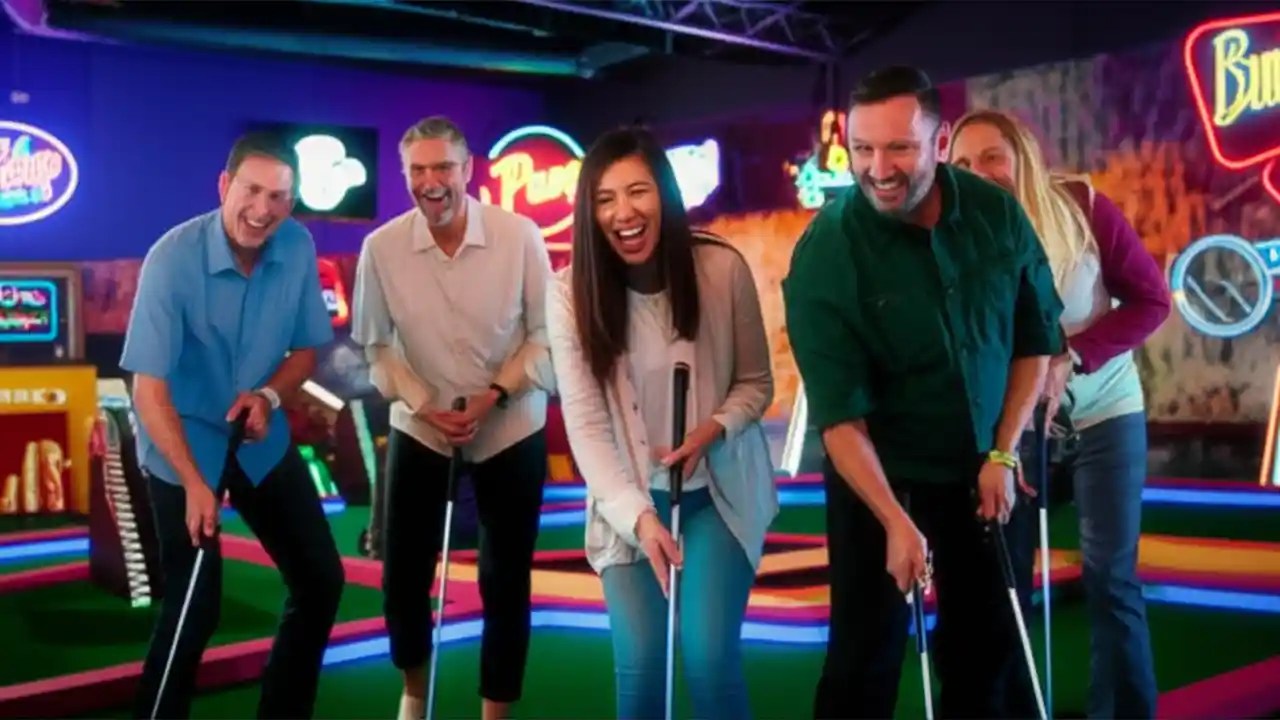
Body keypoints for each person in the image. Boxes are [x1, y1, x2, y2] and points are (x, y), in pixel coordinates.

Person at [782, 66, 1067, 718]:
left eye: (899, 148)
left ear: (940, 145)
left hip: (981, 469)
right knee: (863, 660)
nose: (878, 168)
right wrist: (893, 519)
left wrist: (1002, 452)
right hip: (878, 475)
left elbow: (1034, 339)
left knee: (985, 652)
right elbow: (839, 414)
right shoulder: (826, 252)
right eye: (862, 149)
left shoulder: (996, 214)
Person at [545, 126, 777, 720]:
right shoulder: (571, 295)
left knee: (705, 658)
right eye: (605, 198)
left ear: (665, 196)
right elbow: (588, 426)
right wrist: (641, 519)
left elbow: (756, 383)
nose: (624, 212)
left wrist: (715, 427)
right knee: (643, 671)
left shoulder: (721, 269)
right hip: (627, 503)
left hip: (719, 495)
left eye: (638, 191)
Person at [951, 108, 1168, 718]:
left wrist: (1073, 354)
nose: (979, 173)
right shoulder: (957, 237)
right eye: (962, 164)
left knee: (1110, 575)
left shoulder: (1080, 206)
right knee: (1008, 583)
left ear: (1023, 155)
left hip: (1105, 412)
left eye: (993, 156)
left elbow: (1151, 300)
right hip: (1014, 428)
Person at [123, 132, 345, 719]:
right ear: (225, 186)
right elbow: (148, 389)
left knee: (321, 580)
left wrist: (271, 395)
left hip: (259, 441)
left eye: (279, 196)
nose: (263, 209)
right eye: (252, 190)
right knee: (196, 607)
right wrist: (195, 485)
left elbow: (304, 352)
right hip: (182, 442)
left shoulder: (296, 246)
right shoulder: (171, 258)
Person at [350, 115, 554, 720]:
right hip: (423, 425)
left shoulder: (520, 236)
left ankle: (496, 711)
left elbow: (546, 338)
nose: (431, 181)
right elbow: (376, 349)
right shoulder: (380, 248)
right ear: (405, 174)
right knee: (403, 577)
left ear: (469, 170)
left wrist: (496, 392)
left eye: (443, 167)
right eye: (418, 170)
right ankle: (415, 693)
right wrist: (422, 402)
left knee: (504, 578)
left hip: (511, 425)